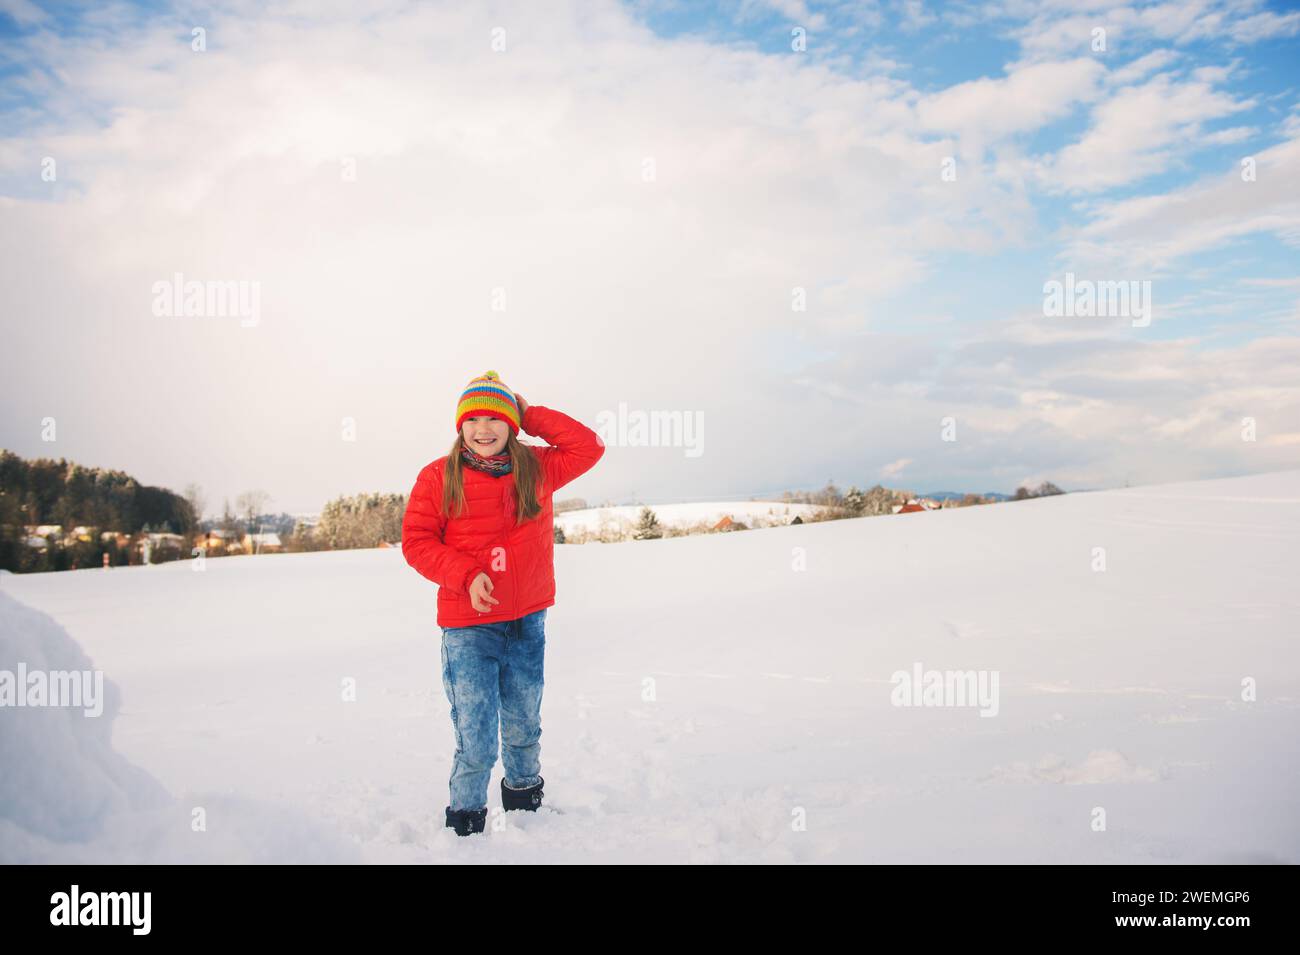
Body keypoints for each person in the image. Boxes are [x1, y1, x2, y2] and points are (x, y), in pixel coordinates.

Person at [400, 370, 605, 836]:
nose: (484, 428)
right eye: (474, 419)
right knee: (475, 734)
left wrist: (531, 413)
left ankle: (526, 808)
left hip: (527, 619)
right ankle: (466, 823)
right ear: (460, 426)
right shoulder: (437, 476)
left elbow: (588, 447)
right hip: (468, 627)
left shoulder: (537, 467)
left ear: (512, 424)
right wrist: (465, 575)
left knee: (523, 722)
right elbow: (416, 541)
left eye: (497, 417)